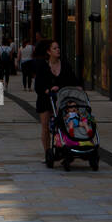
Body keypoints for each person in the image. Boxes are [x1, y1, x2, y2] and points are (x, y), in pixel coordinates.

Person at [33, 39, 79, 167]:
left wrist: (75, 87)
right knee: (46, 126)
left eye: (58, 48)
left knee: (64, 124)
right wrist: (47, 90)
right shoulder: (43, 65)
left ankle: (65, 147)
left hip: (62, 100)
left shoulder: (65, 65)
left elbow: (72, 80)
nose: (58, 50)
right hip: (46, 99)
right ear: (48, 52)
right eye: (54, 48)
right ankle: (47, 153)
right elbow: (38, 85)